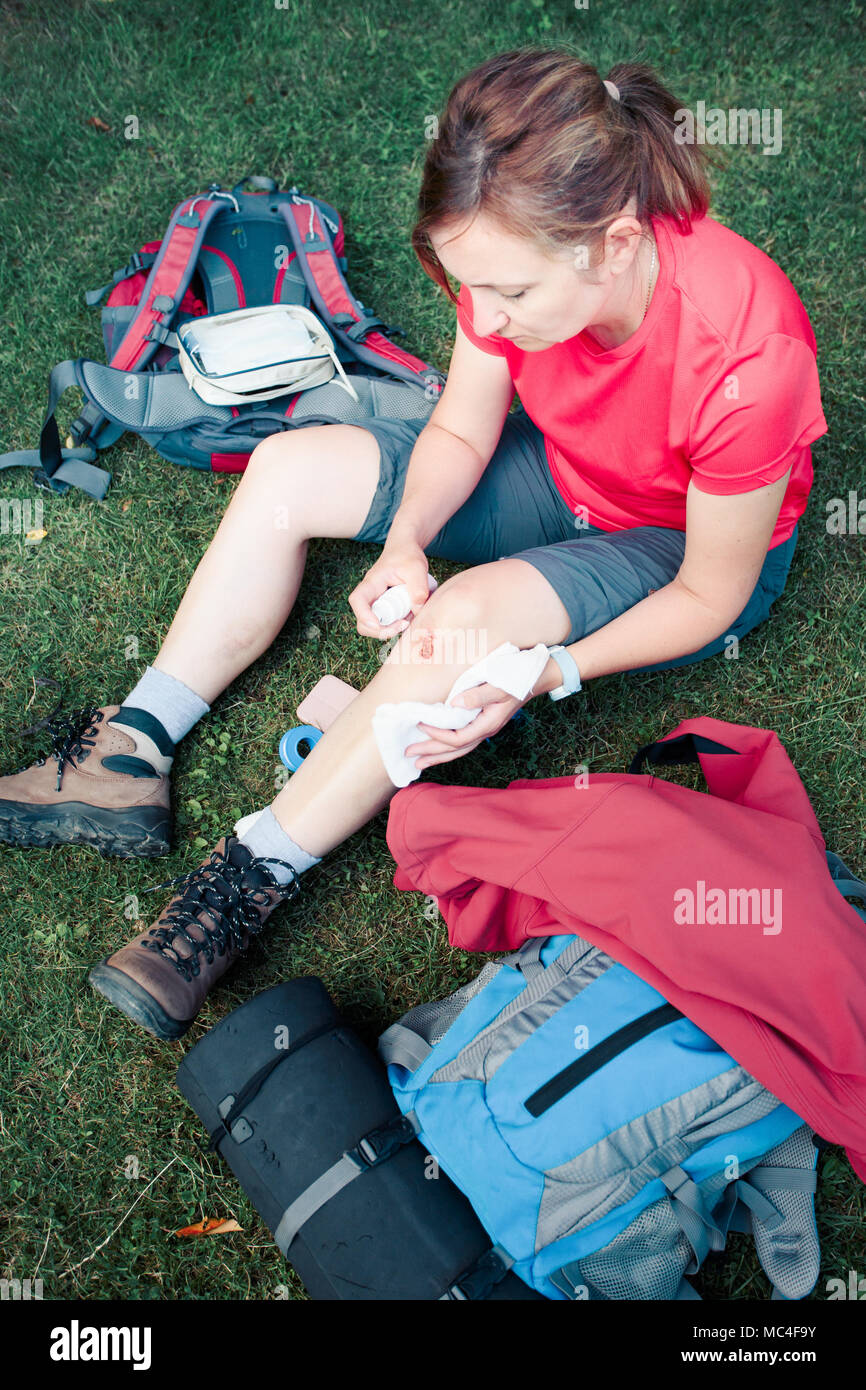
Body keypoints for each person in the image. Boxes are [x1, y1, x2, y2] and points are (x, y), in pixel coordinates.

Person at [0, 49, 827, 1040]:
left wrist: (549, 669)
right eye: (468, 286)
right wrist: (404, 543)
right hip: (558, 467)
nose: (483, 317)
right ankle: (133, 744)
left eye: (508, 293)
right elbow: (464, 428)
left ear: (611, 245)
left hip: (665, 541)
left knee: (459, 625)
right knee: (289, 468)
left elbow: (710, 594)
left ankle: (249, 870)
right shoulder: (506, 260)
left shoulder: (745, 358)